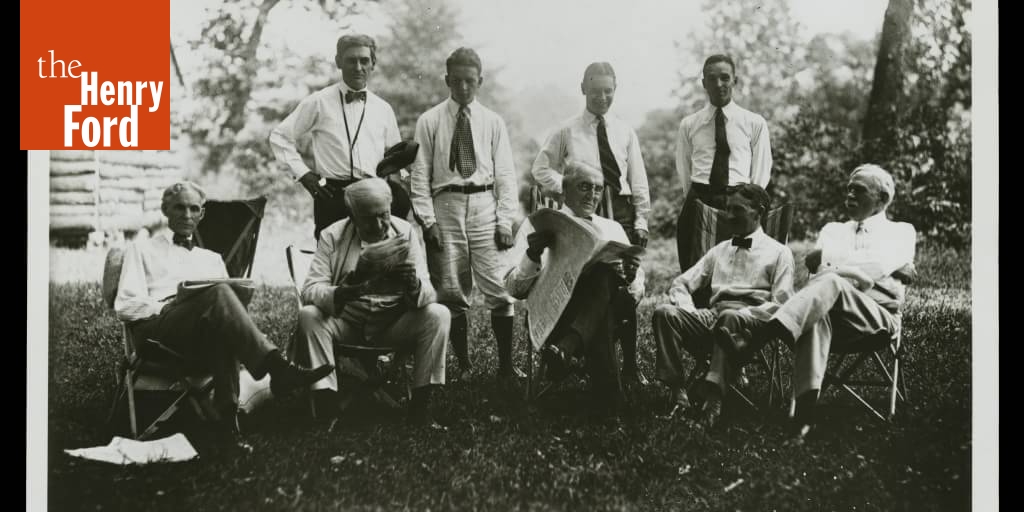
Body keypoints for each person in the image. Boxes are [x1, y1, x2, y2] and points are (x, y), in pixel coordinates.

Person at [114, 182, 334, 449]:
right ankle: (277, 367)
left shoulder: (212, 258)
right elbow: (125, 305)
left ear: (202, 215)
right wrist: (167, 306)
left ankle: (227, 425)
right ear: (165, 210)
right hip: (157, 334)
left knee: (222, 325)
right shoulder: (141, 249)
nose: (186, 215)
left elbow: (221, 310)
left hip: (198, 334)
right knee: (218, 293)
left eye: (194, 209)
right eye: (179, 207)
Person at [719, 164, 916, 439]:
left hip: (875, 318)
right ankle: (804, 417)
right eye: (848, 189)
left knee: (831, 282)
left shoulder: (902, 232)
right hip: (829, 315)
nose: (849, 195)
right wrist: (887, 267)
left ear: (881, 199)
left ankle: (759, 336)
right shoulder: (833, 229)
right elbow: (820, 269)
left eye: (858, 190)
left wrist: (831, 258)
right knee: (817, 311)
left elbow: (852, 266)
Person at [530, 61, 652, 386]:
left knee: (624, 281)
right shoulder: (566, 130)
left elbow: (638, 181)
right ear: (583, 88)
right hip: (583, 208)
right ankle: (591, 354)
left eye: (608, 91)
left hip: (620, 211)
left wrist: (641, 220)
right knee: (590, 279)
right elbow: (540, 170)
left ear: (615, 91)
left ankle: (628, 364)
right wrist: (570, 185)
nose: (602, 97)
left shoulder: (625, 131)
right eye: (596, 90)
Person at [296, 178, 450, 429]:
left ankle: (420, 407)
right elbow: (310, 290)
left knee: (438, 314)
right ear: (353, 216)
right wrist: (343, 292)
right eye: (369, 219)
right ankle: (327, 407)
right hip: (348, 322)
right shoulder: (332, 236)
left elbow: (428, 292)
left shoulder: (406, 232)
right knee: (309, 316)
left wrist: (414, 285)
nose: (379, 225)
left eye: (384, 215)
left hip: (393, 324)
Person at [409, 47, 520, 385]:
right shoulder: (429, 121)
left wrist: (504, 220)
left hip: (485, 203)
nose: (463, 87)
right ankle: (465, 365)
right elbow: (419, 175)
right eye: (456, 81)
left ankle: (505, 366)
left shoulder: (492, 122)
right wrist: (427, 222)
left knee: (500, 289)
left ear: (480, 81)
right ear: (447, 80)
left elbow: (505, 175)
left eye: (470, 81)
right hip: (447, 206)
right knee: (451, 290)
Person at [505, 162, 645, 416]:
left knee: (603, 276)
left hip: (609, 309)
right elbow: (514, 288)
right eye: (584, 187)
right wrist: (533, 253)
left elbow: (636, 291)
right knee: (601, 302)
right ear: (565, 189)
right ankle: (609, 401)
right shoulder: (539, 224)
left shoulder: (611, 228)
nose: (592, 195)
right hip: (555, 315)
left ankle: (567, 348)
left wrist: (630, 276)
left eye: (598, 189)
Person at [651, 183, 793, 428]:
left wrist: (746, 313)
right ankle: (678, 392)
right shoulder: (720, 250)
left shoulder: (779, 252)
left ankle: (713, 402)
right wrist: (691, 312)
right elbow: (681, 283)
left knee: (729, 317)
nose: (729, 216)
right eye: (727, 209)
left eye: (736, 210)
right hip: (713, 316)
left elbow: (781, 302)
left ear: (757, 212)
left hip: (752, 321)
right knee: (665, 313)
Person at [269, 33, 410, 240]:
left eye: (364, 61)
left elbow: (395, 157)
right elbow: (280, 136)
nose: (358, 67)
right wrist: (304, 175)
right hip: (333, 197)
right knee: (333, 262)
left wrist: (401, 183)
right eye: (351, 60)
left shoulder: (383, 108)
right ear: (338, 62)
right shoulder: (319, 101)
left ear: (373, 63)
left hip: (374, 197)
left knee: (377, 262)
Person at [675, 54, 773, 274]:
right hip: (700, 197)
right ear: (704, 84)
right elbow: (684, 168)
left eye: (725, 78)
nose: (718, 84)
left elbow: (761, 170)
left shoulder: (754, 123)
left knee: (738, 261)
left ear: (735, 81)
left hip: (739, 198)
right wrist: (697, 198)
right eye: (711, 79)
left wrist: (749, 203)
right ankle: (695, 305)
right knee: (695, 261)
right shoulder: (690, 124)